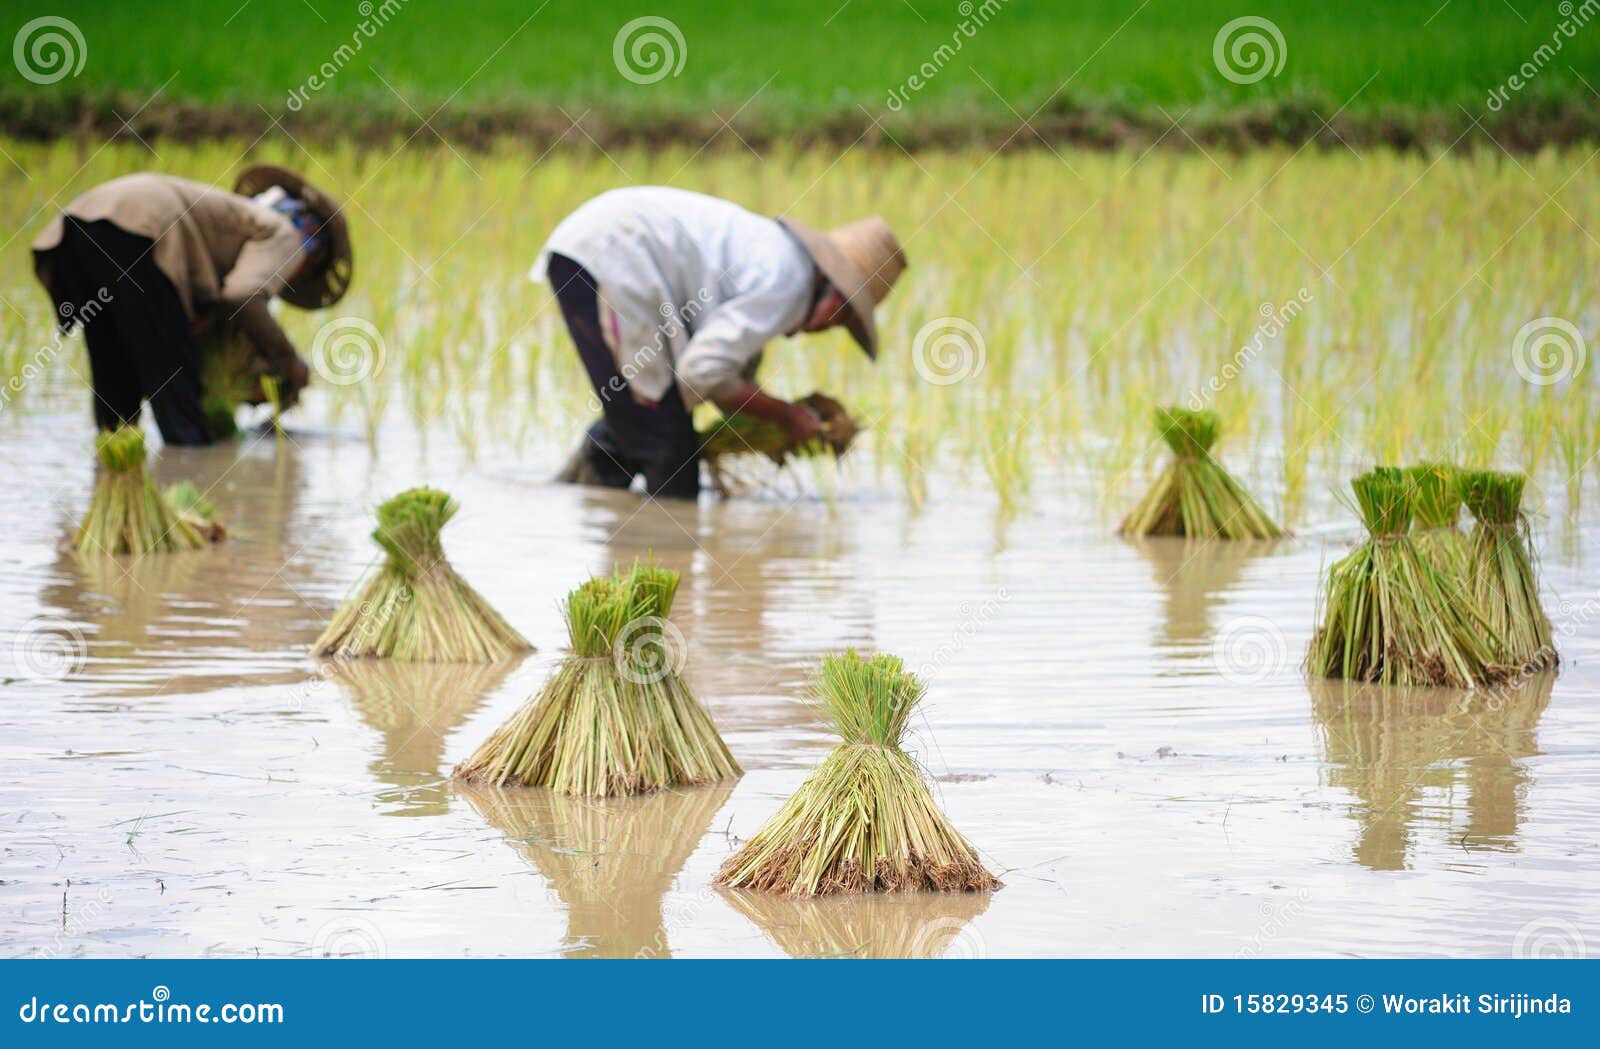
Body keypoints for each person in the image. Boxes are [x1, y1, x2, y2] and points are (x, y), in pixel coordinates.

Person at [535, 186, 906, 499]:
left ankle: (575, 504)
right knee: (667, 450)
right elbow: (701, 374)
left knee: (643, 423)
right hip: (606, 256)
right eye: (843, 320)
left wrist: (773, 427)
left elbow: (723, 374)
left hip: (597, 247)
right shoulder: (788, 282)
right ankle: (665, 563)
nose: (826, 329)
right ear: (836, 301)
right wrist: (787, 416)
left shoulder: (780, 265)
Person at [31, 165, 353, 445]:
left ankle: (115, 485)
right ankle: (189, 484)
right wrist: (289, 363)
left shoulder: (238, 223)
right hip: (141, 231)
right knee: (179, 399)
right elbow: (242, 296)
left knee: (116, 389)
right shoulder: (286, 234)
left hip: (75, 227)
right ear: (312, 259)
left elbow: (211, 304)